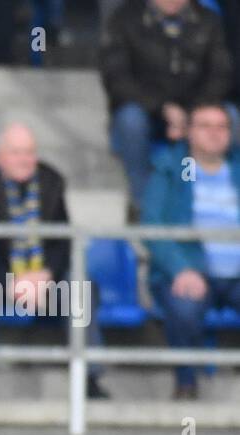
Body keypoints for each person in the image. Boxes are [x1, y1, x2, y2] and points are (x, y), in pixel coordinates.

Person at [0, 122, 109, 401]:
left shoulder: (50, 182)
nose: (25, 159)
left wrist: (45, 274)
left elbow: (62, 239)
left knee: (78, 290)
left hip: (41, 284)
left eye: (30, 152)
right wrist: (11, 280)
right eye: (16, 152)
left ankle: (90, 380)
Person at [144, 102, 240, 400]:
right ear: (188, 132)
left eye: (221, 127)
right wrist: (181, 269)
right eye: (205, 126)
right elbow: (152, 226)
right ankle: (186, 382)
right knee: (183, 308)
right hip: (190, 272)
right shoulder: (172, 168)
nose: (215, 133)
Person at [99, 0, 233, 210]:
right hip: (147, 111)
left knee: (231, 117)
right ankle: (143, 203)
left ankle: (218, 192)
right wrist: (163, 109)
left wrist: (192, 114)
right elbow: (116, 79)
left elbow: (221, 74)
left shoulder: (208, 20)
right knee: (130, 120)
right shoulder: (124, 19)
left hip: (195, 109)